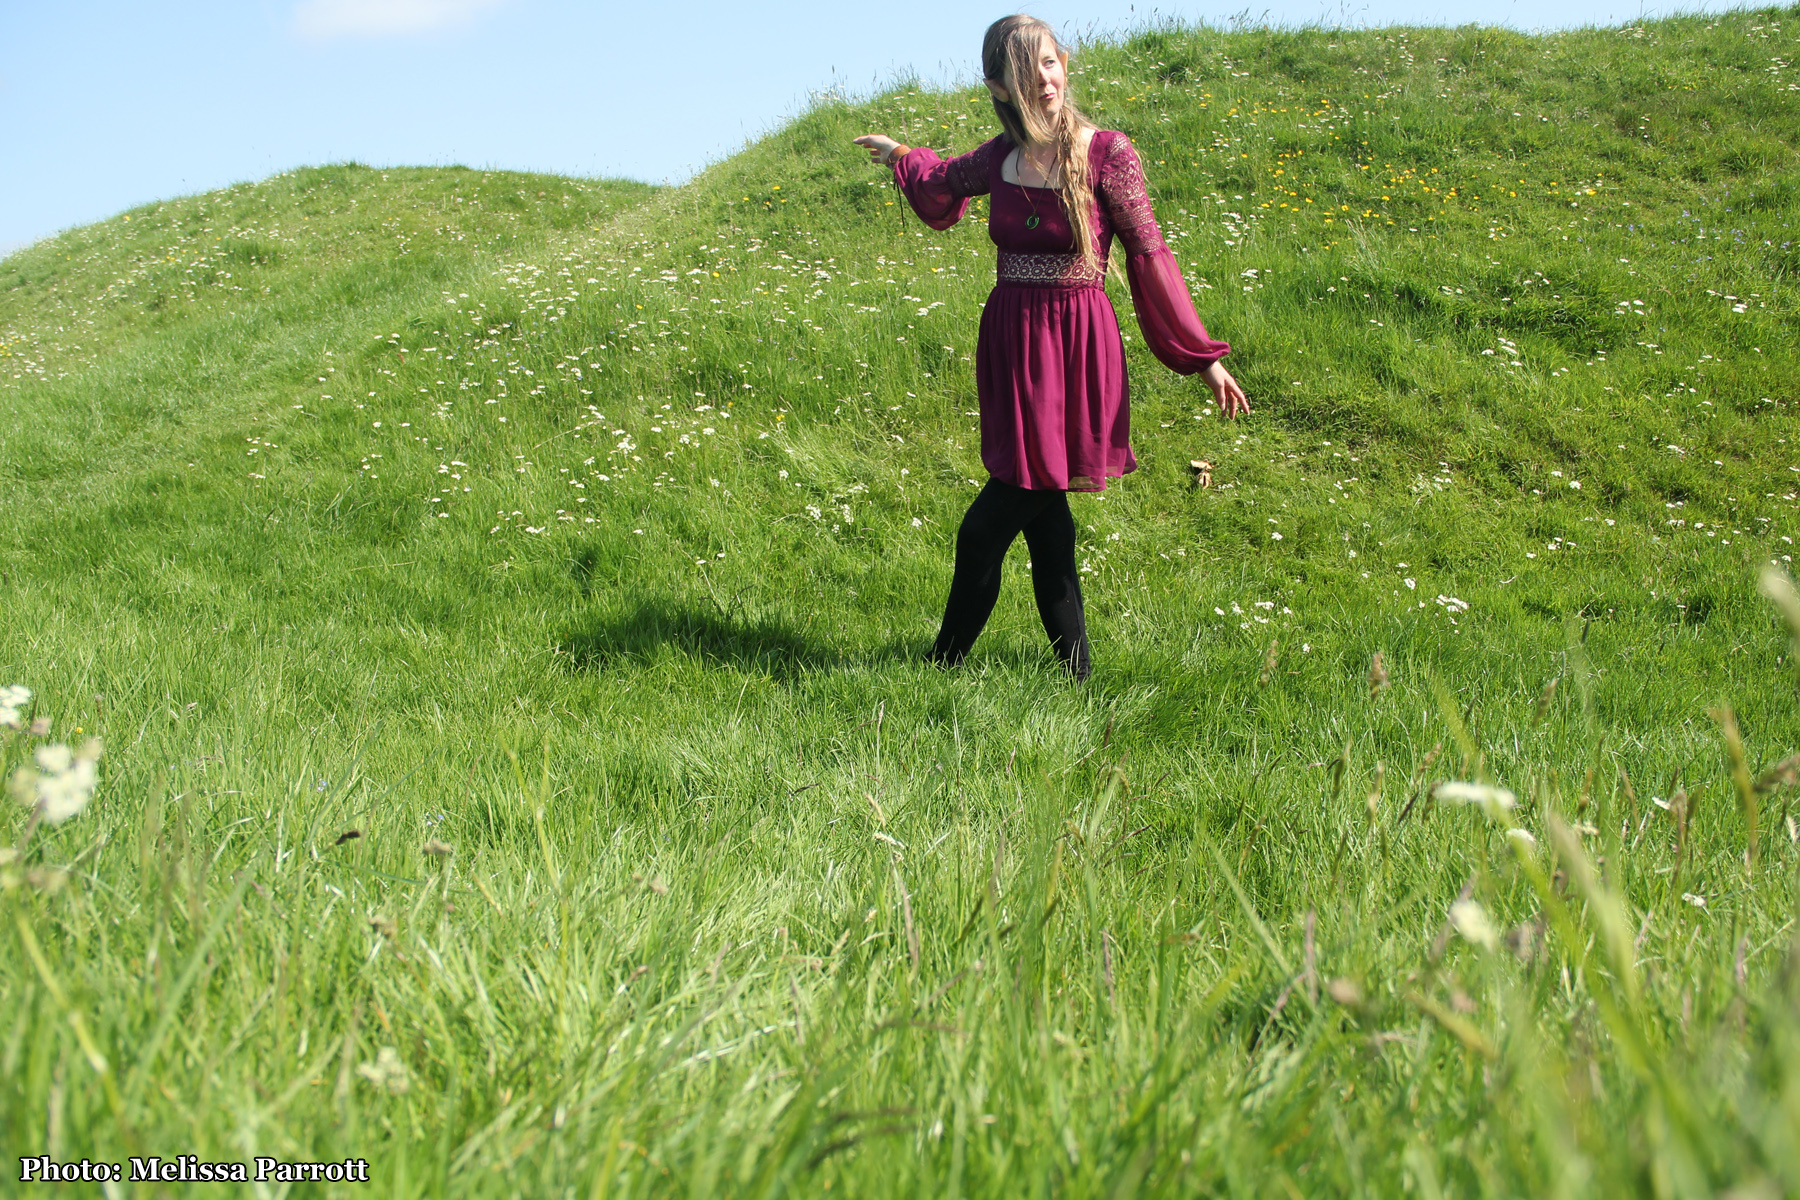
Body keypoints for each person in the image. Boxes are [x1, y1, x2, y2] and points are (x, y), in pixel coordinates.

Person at [855, 14, 1249, 682]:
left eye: (1049, 62)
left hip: (1074, 353)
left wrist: (1200, 356)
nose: (1044, 79)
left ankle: (938, 667)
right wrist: (901, 156)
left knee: (985, 528)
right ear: (1000, 88)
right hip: (1013, 348)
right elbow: (941, 182)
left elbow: (1151, 255)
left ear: (1064, 63)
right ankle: (1078, 681)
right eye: (1025, 70)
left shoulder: (1108, 154)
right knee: (1047, 528)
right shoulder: (1000, 158)